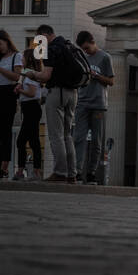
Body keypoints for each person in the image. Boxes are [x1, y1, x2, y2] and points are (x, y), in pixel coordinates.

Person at [19, 24, 97, 183]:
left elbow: (46, 76)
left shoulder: (52, 49)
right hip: (73, 94)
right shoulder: (69, 45)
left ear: (44, 35)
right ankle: (72, 174)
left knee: (56, 135)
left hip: (57, 93)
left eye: (39, 39)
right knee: (67, 135)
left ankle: (60, 172)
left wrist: (30, 73)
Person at [70, 31, 114, 184]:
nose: (86, 51)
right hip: (82, 102)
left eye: (87, 48)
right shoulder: (81, 58)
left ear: (92, 41)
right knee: (78, 138)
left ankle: (91, 172)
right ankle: (77, 171)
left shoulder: (105, 57)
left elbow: (111, 81)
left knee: (97, 141)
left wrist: (95, 75)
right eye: (83, 49)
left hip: (98, 104)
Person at [0, 29, 25, 180]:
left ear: (7, 41)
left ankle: (3, 166)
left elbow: (16, 76)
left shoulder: (16, 56)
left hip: (8, 94)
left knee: (5, 131)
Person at [11, 50, 45, 181]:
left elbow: (32, 93)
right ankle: (34, 171)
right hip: (29, 108)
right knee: (33, 140)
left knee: (23, 141)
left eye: (23, 58)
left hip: (31, 108)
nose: (21, 61)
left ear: (29, 60)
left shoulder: (31, 75)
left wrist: (20, 90)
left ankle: (24, 171)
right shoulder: (27, 74)